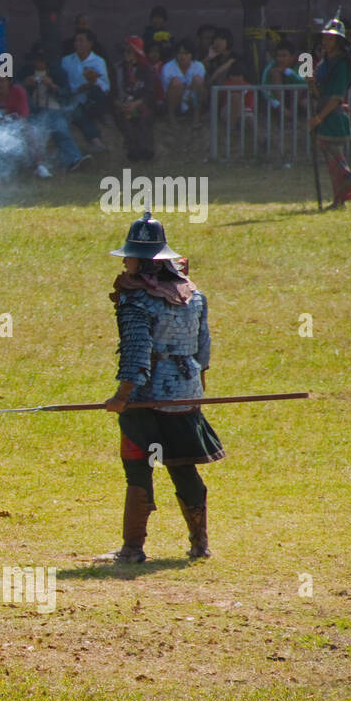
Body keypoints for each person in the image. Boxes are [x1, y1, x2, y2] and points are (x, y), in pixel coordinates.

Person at [100, 212, 223, 563]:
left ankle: (132, 549)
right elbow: (203, 349)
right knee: (182, 464)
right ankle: (199, 546)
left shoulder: (135, 298)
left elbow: (137, 353)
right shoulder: (193, 293)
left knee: (139, 463)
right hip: (185, 395)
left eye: (130, 256)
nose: (125, 262)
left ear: (144, 261)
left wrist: (122, 396)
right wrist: (195, 391)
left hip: (147, 398)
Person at [309, 17, 351, 210]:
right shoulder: (325, 63)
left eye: (330, 38)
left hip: (333, 116)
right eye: (324, 38)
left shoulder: (342, 65)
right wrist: (311, 81)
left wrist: (318, 118)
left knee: (336, 160)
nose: (325, 42)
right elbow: (320, 93)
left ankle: (348, 188)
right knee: (332, 162)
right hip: (324, 113)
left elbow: (336, 97)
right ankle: (339, 200)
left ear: (338, 41)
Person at [21, 46, 88, 173]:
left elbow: (67, 94)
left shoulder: (58, 73)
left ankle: (74, 160)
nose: (39, 62)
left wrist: (53, 86)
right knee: (32, 134)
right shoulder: (25, 72)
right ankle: (38, 166)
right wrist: (26, 85)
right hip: (34, 111)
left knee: (61, 130)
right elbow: (17, 90)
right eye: (36, 59)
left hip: (54, 109)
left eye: (41, 59)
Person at [0, 74, 49, 179]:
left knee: (29, 131)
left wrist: (10, 121)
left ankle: (39, 166)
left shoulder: (18, 91)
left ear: (9, 82)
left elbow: (23, 116)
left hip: (14, 125)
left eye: (2, 81)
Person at [61, 29, 110, 153]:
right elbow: (63, 84)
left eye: (81, 41)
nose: (78, 44)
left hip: (92, 99)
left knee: (96, 94)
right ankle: (95, 141)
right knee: (77, 113)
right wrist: (77, 89)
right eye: (76, 41)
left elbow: (106, 86)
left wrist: (93, 82)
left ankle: (101, 116)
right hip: (74, 99)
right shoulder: (67, 61)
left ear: (90, 43)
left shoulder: (98, 61)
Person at [113, 36, 159, 162]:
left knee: (143, 119)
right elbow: (112, 93)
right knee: (126, 121)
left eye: (129, 51)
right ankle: (133, 151)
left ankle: (146, 150)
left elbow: (149, 92)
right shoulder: (118, 69)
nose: (126, 55)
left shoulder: (146, 69)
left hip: (140, 104)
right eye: (125, 51)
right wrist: (120, 104)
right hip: (123, 105)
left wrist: (136, 104)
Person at [160, 39, 206, 121]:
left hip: (191, 100)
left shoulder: (199, 66)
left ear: (192, 54)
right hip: (173, 102)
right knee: (176, 82)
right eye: (180, 53)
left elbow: (199, 87)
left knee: (198, 80)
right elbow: (166, 90)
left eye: (186, 53)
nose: (182, 56)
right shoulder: (168, 67)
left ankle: (196, 115)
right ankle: (171, 117)